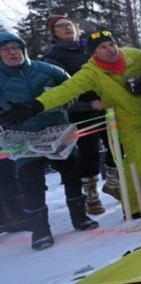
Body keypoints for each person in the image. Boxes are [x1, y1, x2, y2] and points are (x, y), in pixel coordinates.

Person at [1, 30, 141, 220]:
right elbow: (64, 91)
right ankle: (135, 207)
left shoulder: (136, 56)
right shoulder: (91, 73)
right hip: (127, 120)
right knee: (135, 161)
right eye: (102, 47)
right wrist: (35, 105)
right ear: (93, 53)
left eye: (112, 44)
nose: (110, 49)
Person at [0, 31, 98, 250]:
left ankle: (80, 217)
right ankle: (40, 231)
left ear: (23, 49)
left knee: (72, 175)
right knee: (32, 183)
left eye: (15, 47)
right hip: (22, 138)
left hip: (57, 131)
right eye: (5, 49)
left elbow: (73, 89)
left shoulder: (48, 70)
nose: (11, 52)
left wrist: (61, 103)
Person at [40, 15, 114, 215]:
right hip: (81, 112)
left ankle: (115, 184)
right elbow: (62, 91)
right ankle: (91, 195)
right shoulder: (53, 58)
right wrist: (88, 103)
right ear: (54, 33)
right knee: (88, 153)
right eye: (60, 26)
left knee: (118, 146)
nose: (66, 28)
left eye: (68, 24)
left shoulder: (89, 47)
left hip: (107, 105)